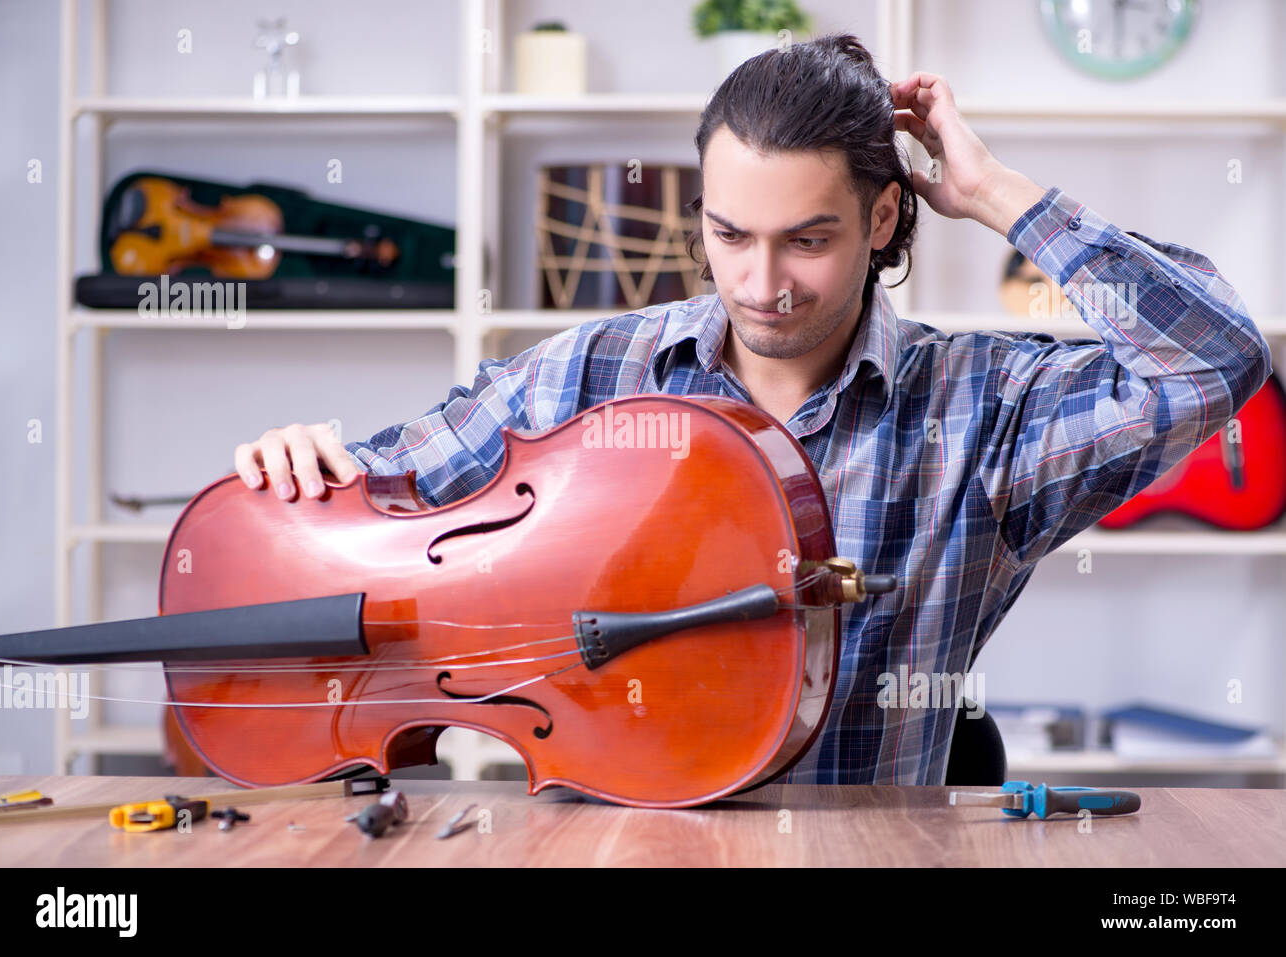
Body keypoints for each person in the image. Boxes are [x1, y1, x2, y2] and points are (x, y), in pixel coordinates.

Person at [232, 34, 1271, 786]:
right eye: (730, 235)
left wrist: (999, 194)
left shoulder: (985, 410)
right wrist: (305, 473)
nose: (761, 281)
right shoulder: (592, 370)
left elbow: (1216, 359)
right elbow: (378, 501)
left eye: (806, 241)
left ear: (882, 216)